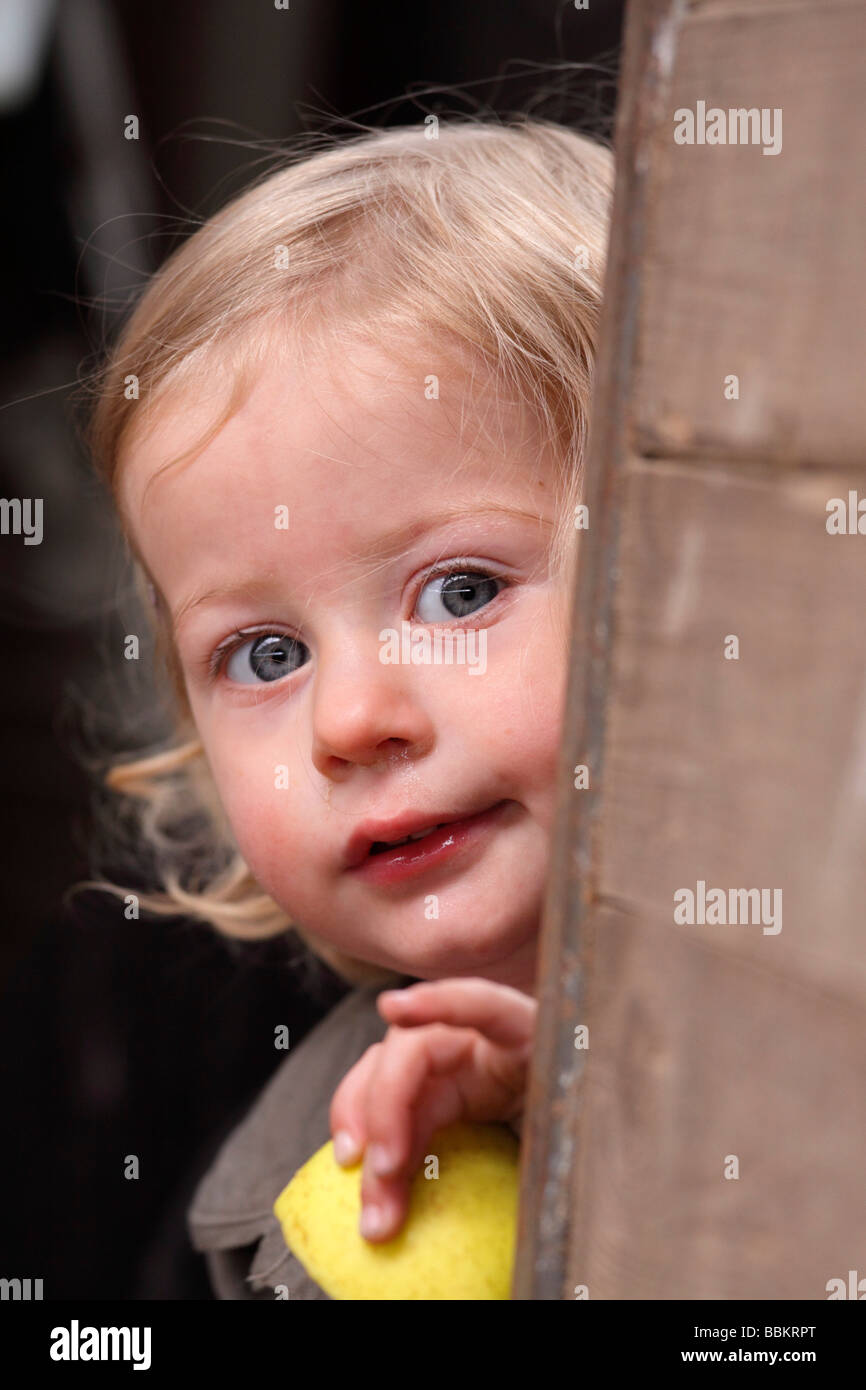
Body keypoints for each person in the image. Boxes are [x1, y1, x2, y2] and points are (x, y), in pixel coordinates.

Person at [80, 116, 614, 1298]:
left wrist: (594, 1123)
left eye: (460, 590)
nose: (348, 719)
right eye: (265, 655)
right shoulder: (277, 1168)